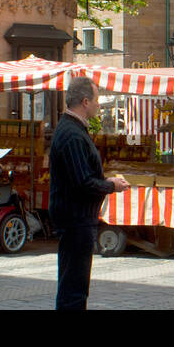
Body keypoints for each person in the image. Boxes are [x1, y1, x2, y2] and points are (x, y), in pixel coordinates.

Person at [50, 77, 130, 310]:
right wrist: (111, 185)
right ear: (85, 101)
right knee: (74, 286)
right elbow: (82, 182)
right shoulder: (72, 134)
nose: (98, 105)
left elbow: (80, 176)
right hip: (76, 218)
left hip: (75, 217)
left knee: (73, 282)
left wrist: (105, 182)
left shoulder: (71, 129)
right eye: (96, 100)